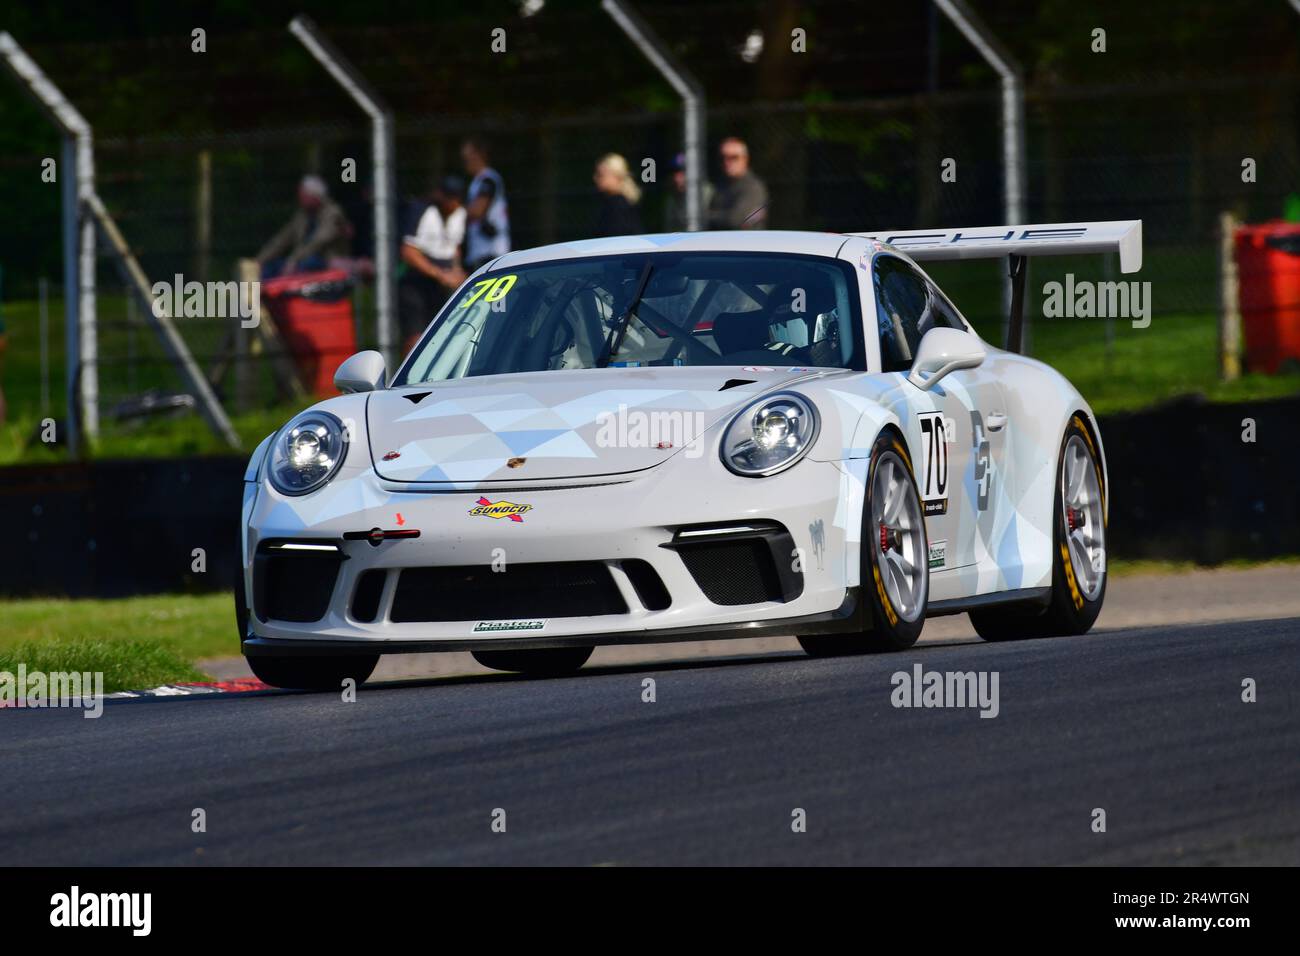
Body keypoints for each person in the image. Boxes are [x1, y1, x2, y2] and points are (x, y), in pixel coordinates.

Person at [399, 176, 468, 355]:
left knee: (441, 335)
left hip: (441, 285)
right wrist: (440, 274)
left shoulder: (460, 213)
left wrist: (456, 271)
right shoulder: (420, 210)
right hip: (417, 282)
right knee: (415, 337)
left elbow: (454, 248)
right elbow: (409, 252)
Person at [256, 174, 352, 279]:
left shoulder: (333, 213)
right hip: (302, 259)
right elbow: (281, 240)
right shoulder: (302, 215)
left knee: (305, 265)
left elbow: (317, 242)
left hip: (326, 260)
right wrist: (260, 260)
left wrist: (294, 260)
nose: (300, 198)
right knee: (270, 268)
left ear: (315, 196)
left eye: (303, 196)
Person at [461, 138, 511, 271]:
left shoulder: (488, 179)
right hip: (479, 250)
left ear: (478, 155)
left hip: (491, 251)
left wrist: (454, 209)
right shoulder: (477, 181)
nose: (465, 162)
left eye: (467, 157)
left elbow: (477, 211)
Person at [707, 137, 769, 230]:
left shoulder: (753, 187)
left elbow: (735, 220)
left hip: (747, 243)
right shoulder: (720, 185)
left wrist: (707, 216)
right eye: (723, 157)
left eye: (734, 157)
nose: (727, 162)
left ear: (745, 159)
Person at [592, 153, 643, 237]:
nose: (595, 178)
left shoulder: (618, 206)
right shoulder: (614, 203)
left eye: (601, 175)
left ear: (617, 176)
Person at [663, 152, 713, 232]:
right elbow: (669, 230)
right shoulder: (672, 198)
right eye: (674, 172)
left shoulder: (708, 192)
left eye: (683, 172)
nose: (677, 178)